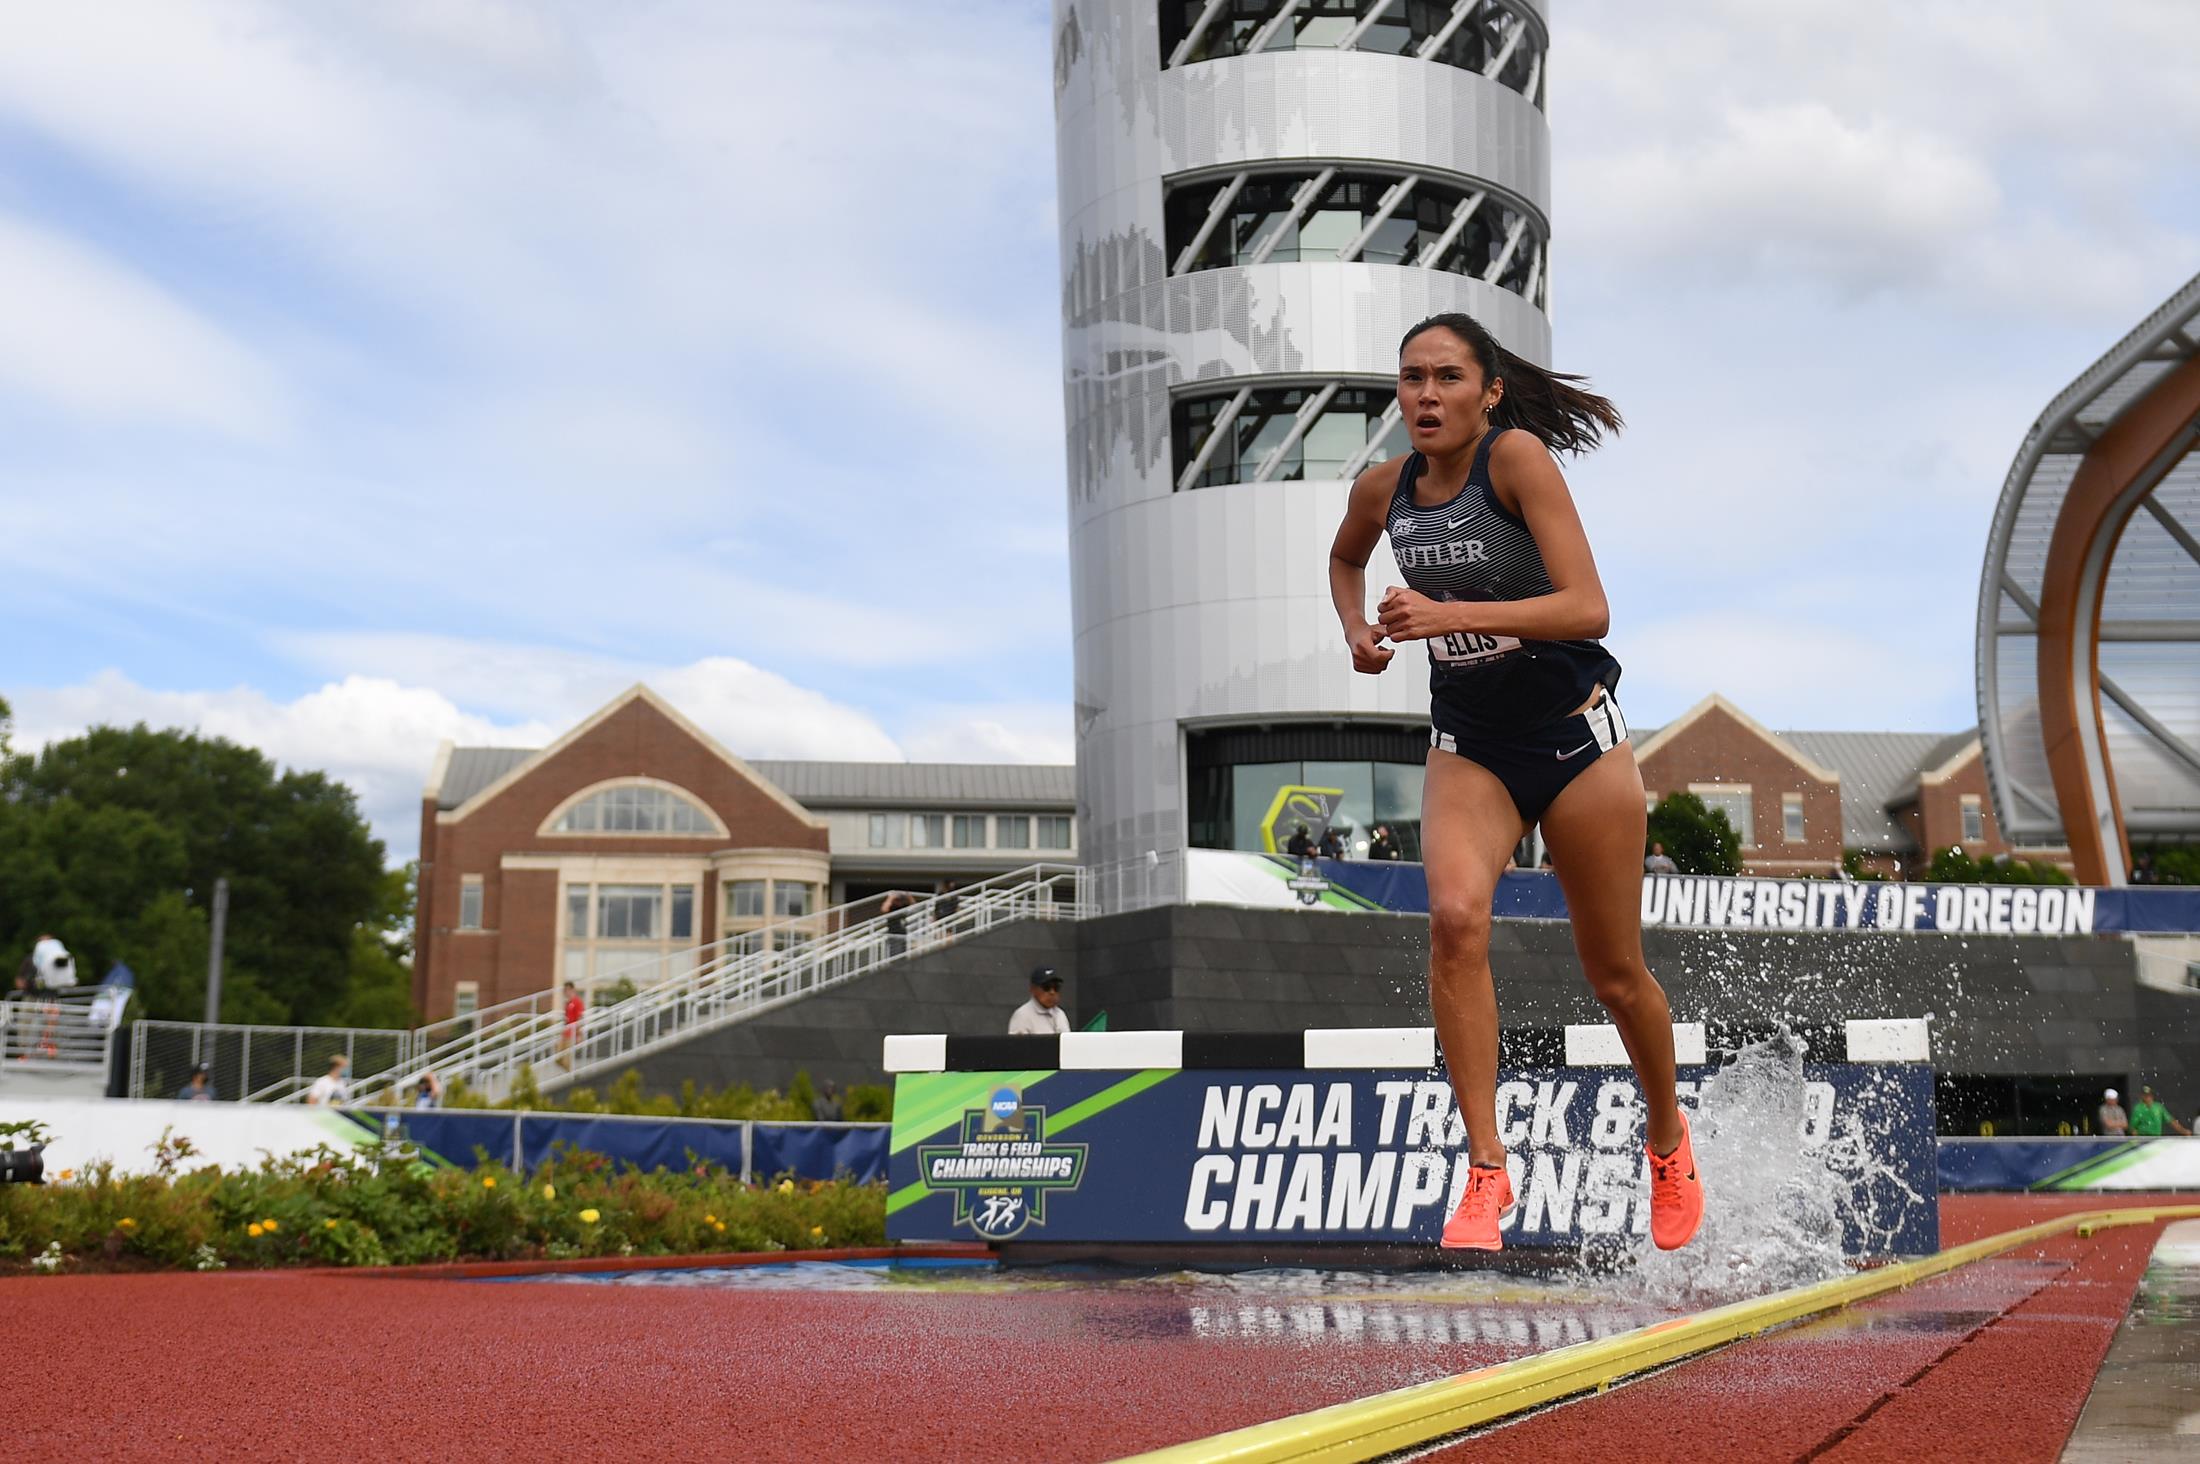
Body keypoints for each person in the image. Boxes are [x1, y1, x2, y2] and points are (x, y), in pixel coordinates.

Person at [1327, 310, 1703, 1253]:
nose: (1425, 395)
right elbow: (1344, 558)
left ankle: (1665, 1137)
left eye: (1447, 377)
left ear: (1488, 390)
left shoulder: (1517, 461)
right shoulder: (1386, 489)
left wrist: (1447, 610)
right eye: (1411, 378)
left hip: (1577, 740)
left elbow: (1588, 607)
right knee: (1455, 920)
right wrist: (1357, 630)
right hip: (1473, 746)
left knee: (1614, 974)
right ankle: (1487, 1168)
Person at [1008, 967, 1070, 1036]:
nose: (1052, 992)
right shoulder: (1022, 1016)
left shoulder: (1060, 1014)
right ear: (1033, 989)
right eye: (1046, 987)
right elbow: (1017, 1045)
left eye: (1056, 987)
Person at [559, 981, 584, 1071]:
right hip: (565, 1032)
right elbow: (566, 1019)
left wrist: (579, 1034)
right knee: (557, 1058)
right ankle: (570, 1073)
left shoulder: (577, 1002)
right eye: (564, 990)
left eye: (566, 990)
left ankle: (572, 1076)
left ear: (572, 990)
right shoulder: (567, 1003)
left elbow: (580, 1018)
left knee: (566, 1060)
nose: (565, 993)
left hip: (572, 1033)